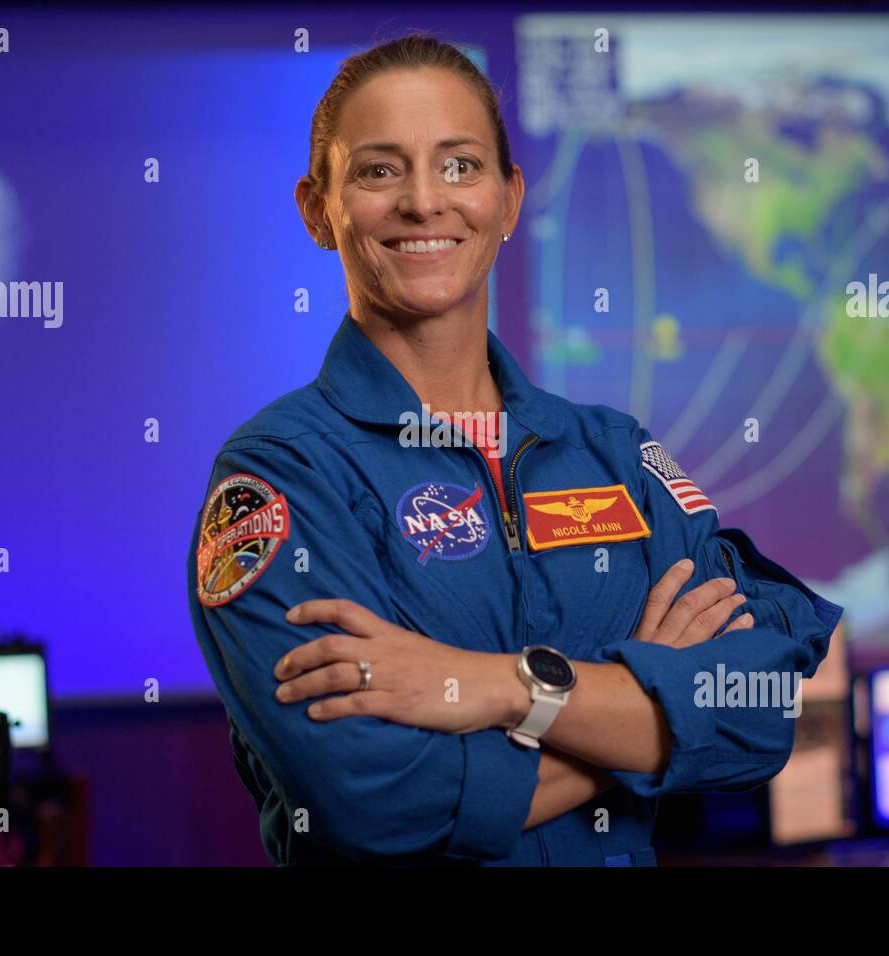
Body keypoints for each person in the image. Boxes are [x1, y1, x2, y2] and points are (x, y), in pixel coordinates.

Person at [186, 33, 842, 866]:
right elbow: (375, 802)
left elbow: (760, 706)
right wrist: (644, 718)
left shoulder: (607, 450)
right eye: (380, 170)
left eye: (459, 164)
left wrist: (496, 685)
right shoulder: (280, 479)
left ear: (508, 198)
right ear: (320, 210)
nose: (426, 202)